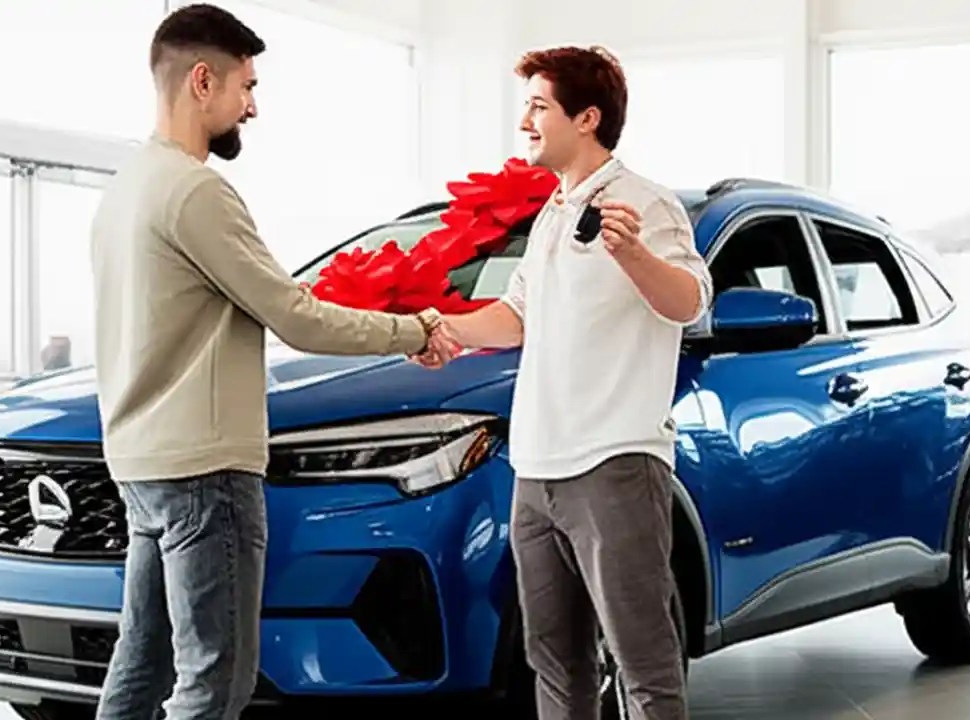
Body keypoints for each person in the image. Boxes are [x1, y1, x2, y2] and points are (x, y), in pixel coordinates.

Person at [88, 5, 455, 719]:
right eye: (245, 87)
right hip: (204, 472)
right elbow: (293, 315)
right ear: (202, 81)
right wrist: (414, 331)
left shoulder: (126, 188)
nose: (251, 106)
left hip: (141, 462)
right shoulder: (196, 191)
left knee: (142, 659)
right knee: (216, 678)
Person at [415, 45, 711, 720]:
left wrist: (633, 254)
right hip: (537, 469)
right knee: (553, 659)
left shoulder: (646, 203)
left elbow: (690, 302)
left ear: (587, 118)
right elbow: (516, 315)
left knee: (644, 661)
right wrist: (442, 330)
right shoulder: (552, 212)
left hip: (614, 462)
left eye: (539, 106)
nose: (525, 120)